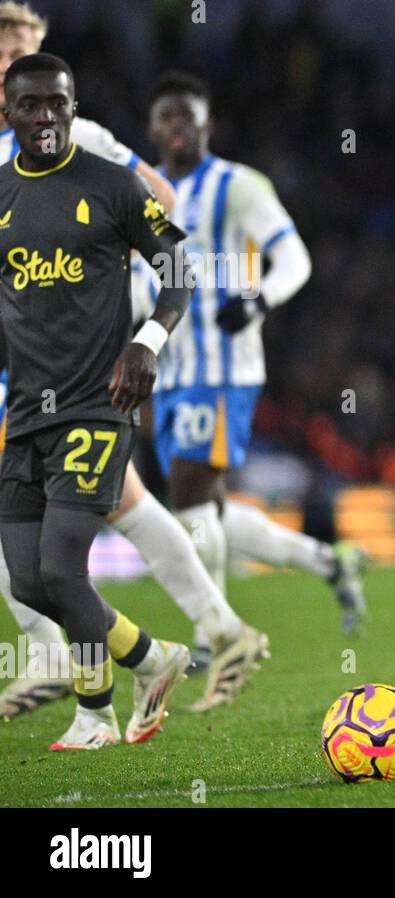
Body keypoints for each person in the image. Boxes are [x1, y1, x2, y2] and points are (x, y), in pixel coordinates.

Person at [0, 0, 266, 719]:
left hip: (79, 359)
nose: (7, 52)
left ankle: (68, 659)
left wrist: (128, 313)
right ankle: (214, 631)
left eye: (18, 40)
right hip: (20, 364)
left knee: (79, 523)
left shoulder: (77, 134)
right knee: (104, 509)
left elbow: (159, 200)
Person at [0, 53, 193, 748]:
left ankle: (97, 710)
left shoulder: (111, 186)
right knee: (27, 580)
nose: (47, 117)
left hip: (96, 403)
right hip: (23, 414)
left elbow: (178, 268)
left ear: (73, 106)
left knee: (59, 568)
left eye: (59, 103)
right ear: (8, 111)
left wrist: (147, 341)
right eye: (32, 106)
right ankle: (145, 664)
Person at [139, 71, 368, 645]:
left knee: (190, 495)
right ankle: (330, 562)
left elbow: (295, 259)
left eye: (186, 116)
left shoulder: (239, 186)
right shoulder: (141, 193)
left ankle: (213, 636)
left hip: (223, 369)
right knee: (203, 509)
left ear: (206, 125)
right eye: (165, 117)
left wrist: (258, 299)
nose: (175, 127)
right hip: (167, 369)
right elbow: (137, 280)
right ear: (151, 127)